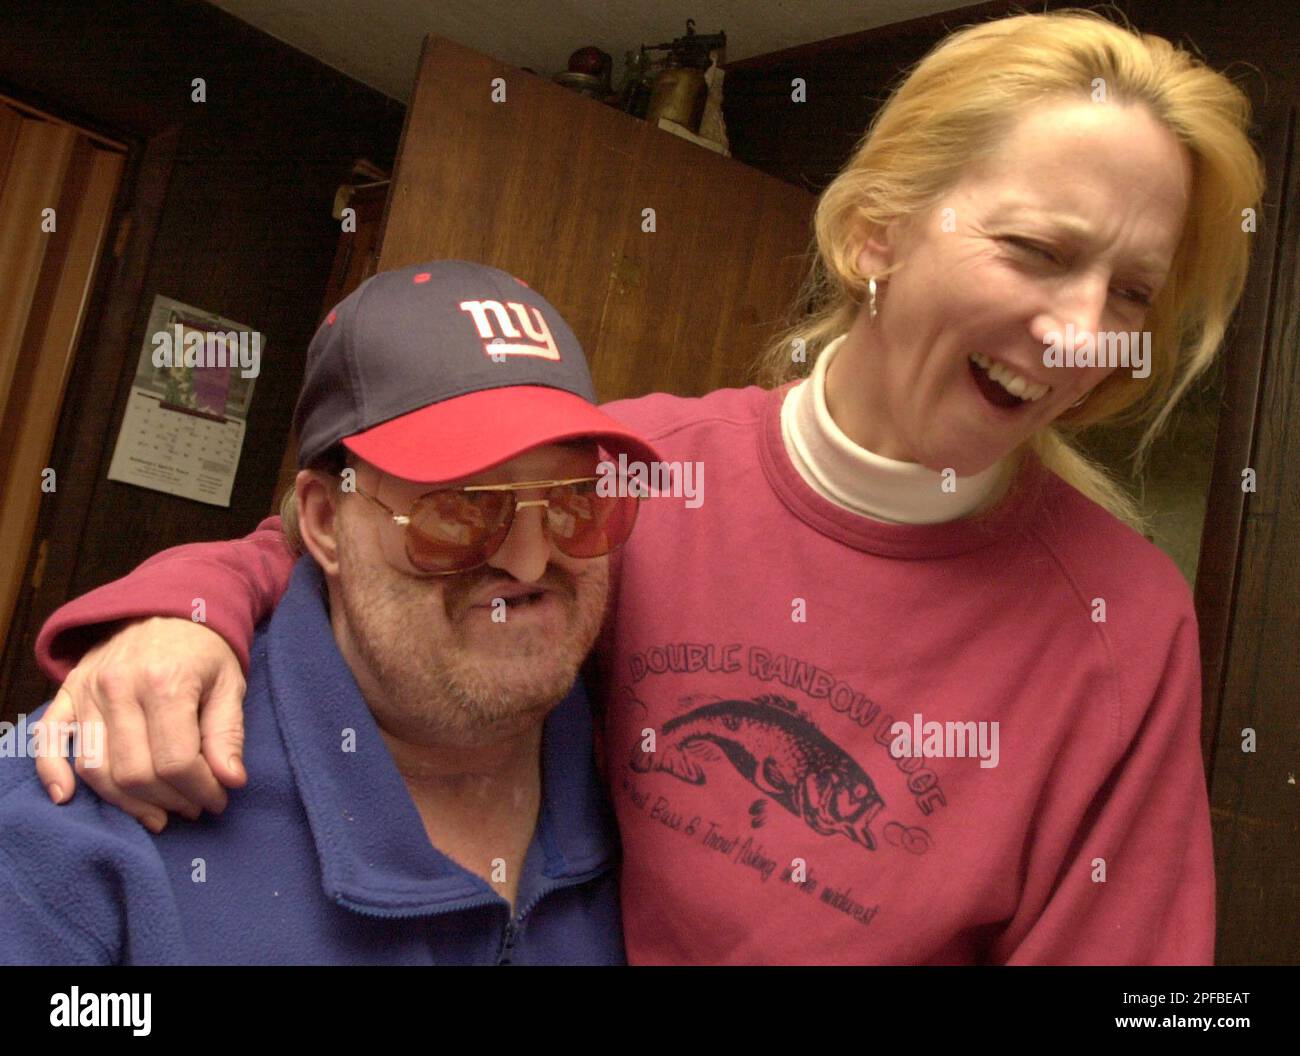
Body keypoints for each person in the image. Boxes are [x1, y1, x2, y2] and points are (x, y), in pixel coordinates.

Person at [31, 10, 1265, 964]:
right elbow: (368, 530)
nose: (1080, 331)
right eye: (1037, 250)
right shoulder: (638, 469)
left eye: (1135, 294)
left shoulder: (1121, 618)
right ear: (875, 235)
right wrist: (178, 615)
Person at [1, 260, 662, 964]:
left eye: (575, 503)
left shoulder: (658, 770)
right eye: (463, 506)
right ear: (324, 523)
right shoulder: (91, 804)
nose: (530, 562)